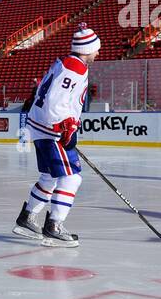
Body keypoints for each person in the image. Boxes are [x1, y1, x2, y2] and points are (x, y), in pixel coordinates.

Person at [13, 25, 100, 247]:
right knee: (72, 177)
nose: (98, 53)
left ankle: (27, 217)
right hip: (53, 131)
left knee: (49, 177)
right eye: (96, 49)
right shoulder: (75, 67)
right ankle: (54, 225)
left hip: (42, 127)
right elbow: (55, 99)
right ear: (87, 49)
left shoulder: (66, 62)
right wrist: (66, 126)